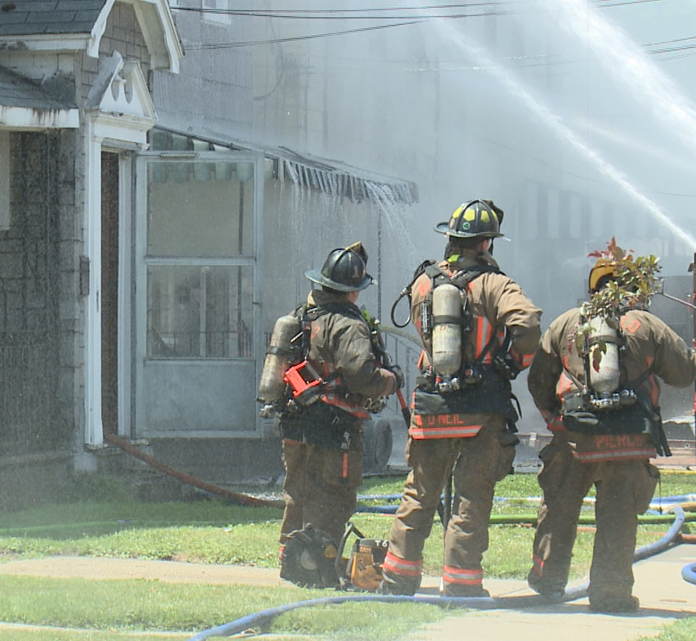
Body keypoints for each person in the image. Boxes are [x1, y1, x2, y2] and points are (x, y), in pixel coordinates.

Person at [380, 200, 542, 597]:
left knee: (418, 494)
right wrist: (509, 364)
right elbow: (529, 324)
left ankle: (397, 580)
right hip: (481, 410)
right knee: (471, 498)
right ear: (486, 243)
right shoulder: (495, 284)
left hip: (432, 406)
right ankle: (460, 584)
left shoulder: (422, 283)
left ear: (450, 238)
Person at [526, 255, 696, 613]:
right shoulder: (646, 324)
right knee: (618, 519)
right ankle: (611, 594)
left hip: (574, 439)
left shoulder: (567, 324)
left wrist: (554, 418)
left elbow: (538, 378)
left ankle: (547, 582)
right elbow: (683, 374)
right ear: (631, 290)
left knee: (558, 509)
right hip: (628, 443)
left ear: (593, 290)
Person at [267, 242, 402, 588]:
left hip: (296, 425)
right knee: (331, 496)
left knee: (297, 492)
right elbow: (362, 375)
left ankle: (292, 563)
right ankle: (316, 569)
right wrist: (391, 380)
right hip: (335, 430)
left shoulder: (302, 316)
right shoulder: (348, 326)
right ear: (353, 291)